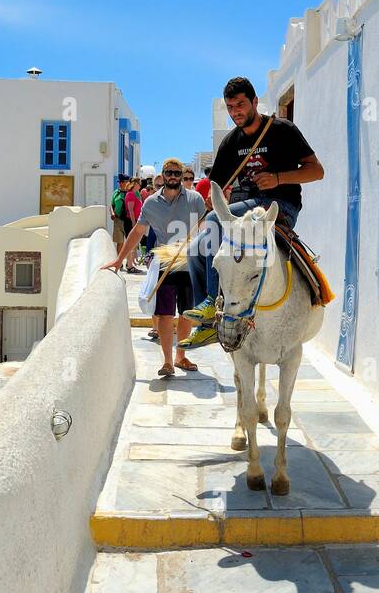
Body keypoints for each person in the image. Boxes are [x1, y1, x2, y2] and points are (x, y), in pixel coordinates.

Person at [179, 76, 324, 349]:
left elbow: (317, 171)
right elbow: (216, 185)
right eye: (231, 106)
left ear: (254, 102)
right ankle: (208, 325)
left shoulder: (283, 130)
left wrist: (278, 178)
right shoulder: (230, 142)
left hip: (276, 209)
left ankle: (213, 302)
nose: (236, 112)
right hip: (240, 211)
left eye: (241, 105)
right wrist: (215, 199)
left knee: (214, 221)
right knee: (195, 251)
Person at [102, 158, 207, 376]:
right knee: (165, 315)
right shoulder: (151, 203)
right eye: (169, 172)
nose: (173, 176)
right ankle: (168, 361)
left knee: (186, 314)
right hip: (165, 265)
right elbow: (137, 232)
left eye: (177, 173)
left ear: (181, 176)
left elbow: (205, 229)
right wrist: (119, 259)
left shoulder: (195, 199)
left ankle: (181, 356)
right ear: (163, 174)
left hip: (189, 265)